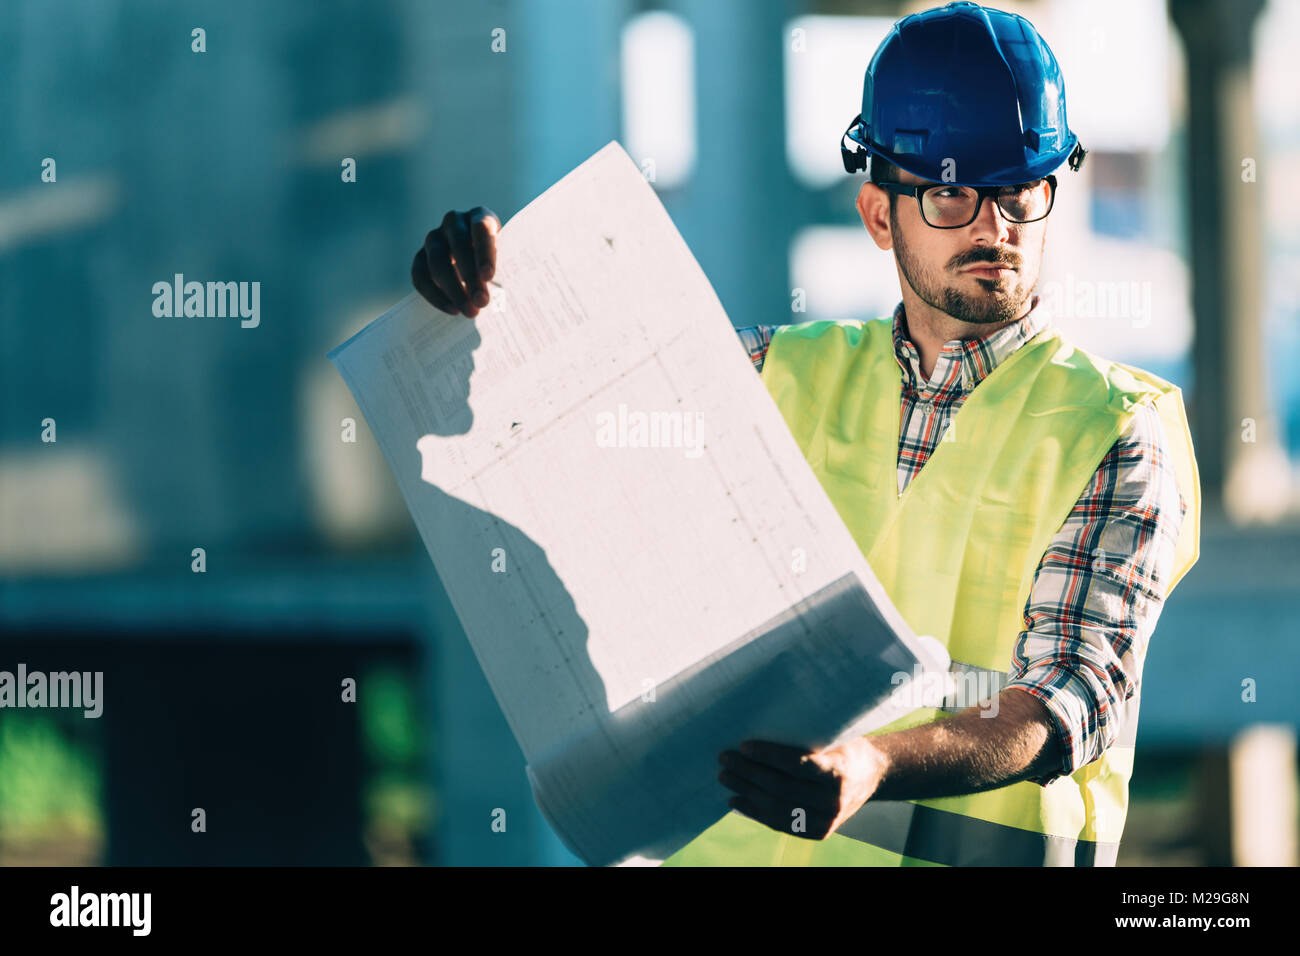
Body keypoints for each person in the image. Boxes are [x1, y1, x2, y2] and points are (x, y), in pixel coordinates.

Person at [408, 1, 1201, 866]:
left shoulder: (1118, 429)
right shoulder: (770, 375)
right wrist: (482, 296)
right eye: (948, 195)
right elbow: (577, 407)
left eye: (1019, 191)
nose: (992, 227)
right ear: (878, 214)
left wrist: (871, 765)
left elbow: (1064, 701)